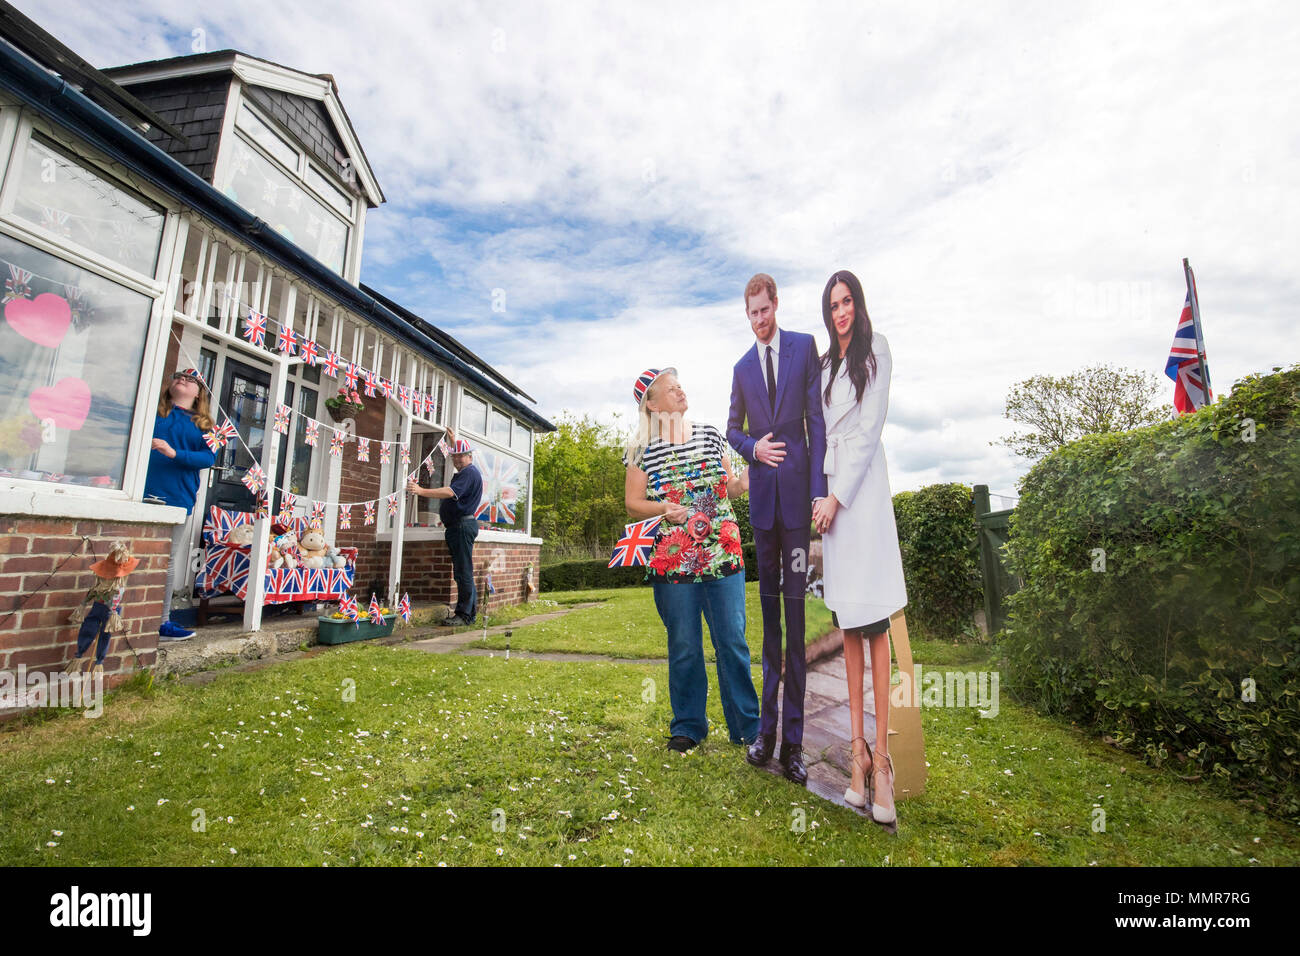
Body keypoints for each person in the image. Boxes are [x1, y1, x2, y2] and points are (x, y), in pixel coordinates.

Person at [812, 269, 908, 826]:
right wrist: (818, 498)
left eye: (847, 302)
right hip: (831, 501)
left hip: (862, 497)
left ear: (859, 304)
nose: (841, 312)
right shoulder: (824, 369)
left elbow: (868, 429)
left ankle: (885, 764)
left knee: (875, 622)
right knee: (849, 622)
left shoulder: (878, 352)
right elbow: (818, 435)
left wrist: (839, 498)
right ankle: (856, 757)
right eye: (833, 305)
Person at [623, 367, 760, 752]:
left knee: (732, 640)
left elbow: (728, 487)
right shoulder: (639, 449)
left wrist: (743, 483)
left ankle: (748, 728)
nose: (681, 391)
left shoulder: (711, 434)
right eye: (670, 388)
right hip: (672, 561)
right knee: (684, 644)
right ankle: (688, 726)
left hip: (721, 554)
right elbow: (633, 503)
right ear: (651, 403)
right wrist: (664, 507)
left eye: (680, 385)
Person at [726, 273, 827, 785]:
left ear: (776, 305)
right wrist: (753, 450)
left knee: (794, 628)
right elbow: (732, 430)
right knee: (768, 625)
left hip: (796, 507)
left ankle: (793, 744)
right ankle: (764, 733)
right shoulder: (742, 368)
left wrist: (817, 490)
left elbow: (817, 421)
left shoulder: (805, 349)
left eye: (764, 311)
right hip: (762, 512)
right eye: (751, 314)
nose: (759, 320)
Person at [143, 368, 217, 641]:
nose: (183, 380)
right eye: (178, 376)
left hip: (177, 496)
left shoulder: (207, 425)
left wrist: (174, 453)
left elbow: (208, 459)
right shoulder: (151, 410)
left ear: (199, 393)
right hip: (141, 491)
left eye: (191, 380)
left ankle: (162, 622)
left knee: (167, 558)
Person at [406, 427, 482, 626]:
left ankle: (464, 615)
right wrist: (453, 440)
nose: (456, 460)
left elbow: (450, 492)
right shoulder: (468, 471)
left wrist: (421, 491)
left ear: (469, 456)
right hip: (459, 526)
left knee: (463, 571)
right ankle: (469, 614)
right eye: (454, 457)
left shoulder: (469, 472)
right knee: (463, 570)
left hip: (461, 526)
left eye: (460, 457)